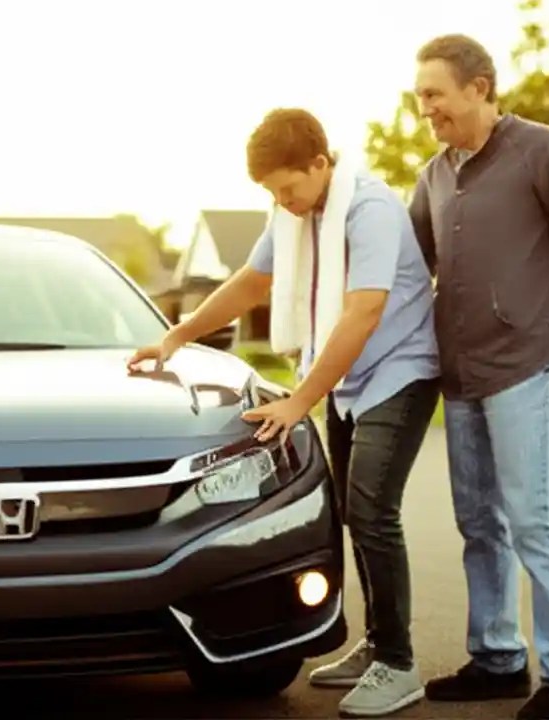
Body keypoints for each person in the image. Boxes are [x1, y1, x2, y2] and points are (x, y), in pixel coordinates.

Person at [128, 107, 440, 718]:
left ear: (320, 164)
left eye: (288, 187)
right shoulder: (295, 216)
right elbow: (252, 281)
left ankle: (399, 664)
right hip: (346, 378)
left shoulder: (370, 210)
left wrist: (302, 400)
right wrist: (177, 336)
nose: (282, 201)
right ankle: (376, 644)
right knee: (352, 512)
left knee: (373, 513)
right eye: (272, 192)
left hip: (399, 371)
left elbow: (364, 312)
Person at [405, 34, 549, 720]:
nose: (425, 109)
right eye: (419, 98)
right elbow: (406, 271)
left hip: (529, 365)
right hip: (462, 374)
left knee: (536, 522)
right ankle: (497, 658)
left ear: (478, 87)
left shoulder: (542, 150)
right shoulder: (434, 175)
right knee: (479, 523)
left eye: (434, 94)